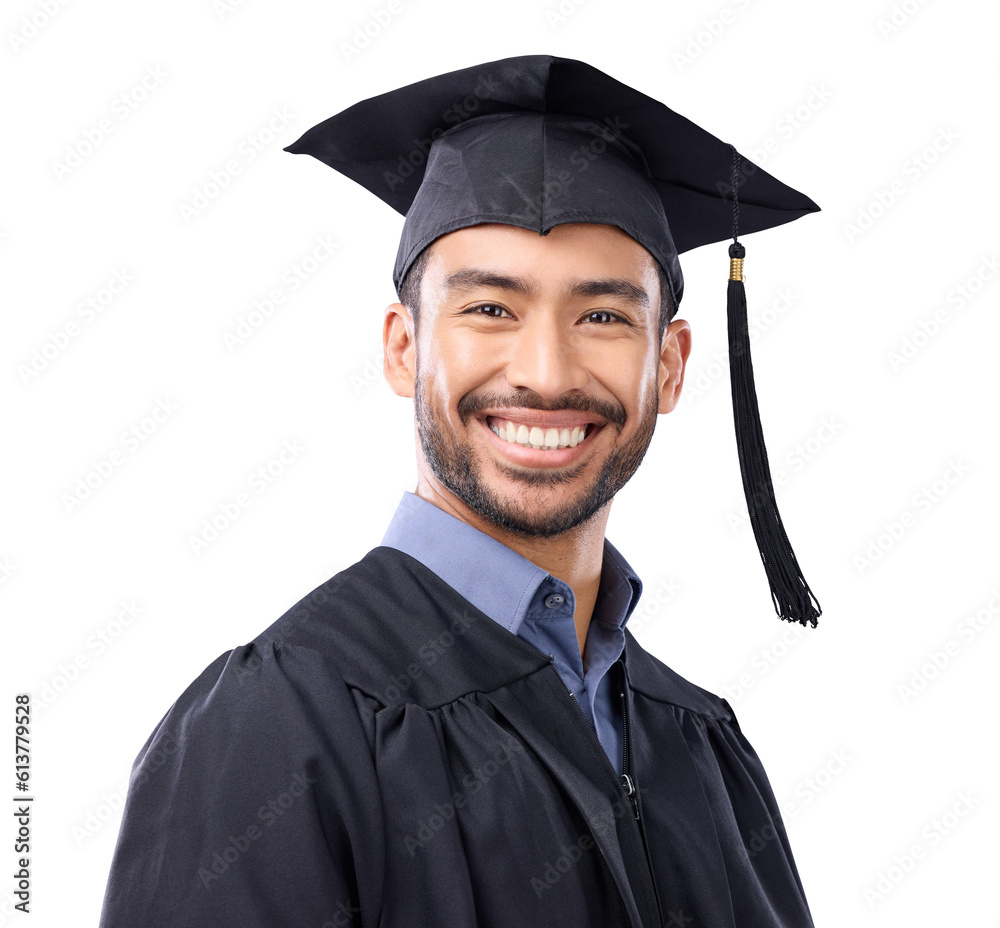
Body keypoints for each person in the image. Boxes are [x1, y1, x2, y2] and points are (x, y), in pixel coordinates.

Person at [99, 55, 820, 927]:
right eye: (490, 309)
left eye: (603, 316)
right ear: (404, 349)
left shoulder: (703, 747)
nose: (547, 373)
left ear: (667, 367)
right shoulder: (275, 729)